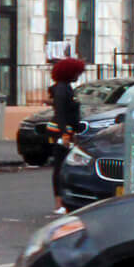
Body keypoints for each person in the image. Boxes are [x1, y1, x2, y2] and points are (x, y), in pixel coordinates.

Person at [47, 55, 86, 201]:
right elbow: (62, 113)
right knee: (60, 166)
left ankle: (63, 199)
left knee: (64, 165)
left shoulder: (65, 88)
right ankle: (59, 201)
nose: (78, 76)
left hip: (66, 131)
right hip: (61, 131)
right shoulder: (63, 89)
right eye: (77, 73)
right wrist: (65, 134)